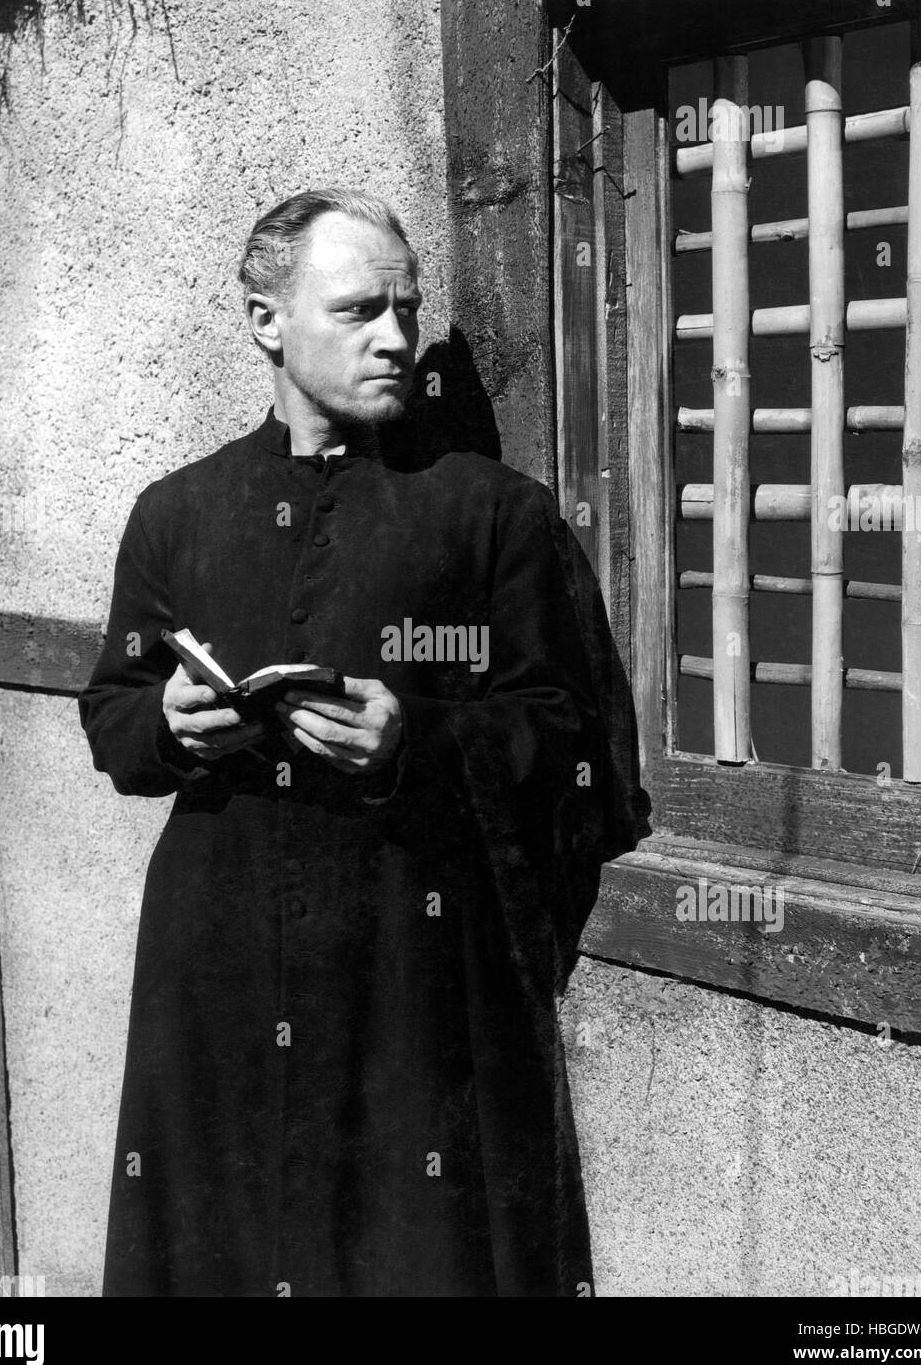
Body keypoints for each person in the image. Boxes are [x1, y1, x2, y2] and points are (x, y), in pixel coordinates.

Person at [79, 187, 633, 1297]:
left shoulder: (491, 514)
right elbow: (113, 715)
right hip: (217, 961)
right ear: (263, 320)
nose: (395, 338)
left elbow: (575, 743)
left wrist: (416, 740)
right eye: (358, 310)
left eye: (407, 309)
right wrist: (172, 725)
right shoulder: (174, 514)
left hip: (410, 963)